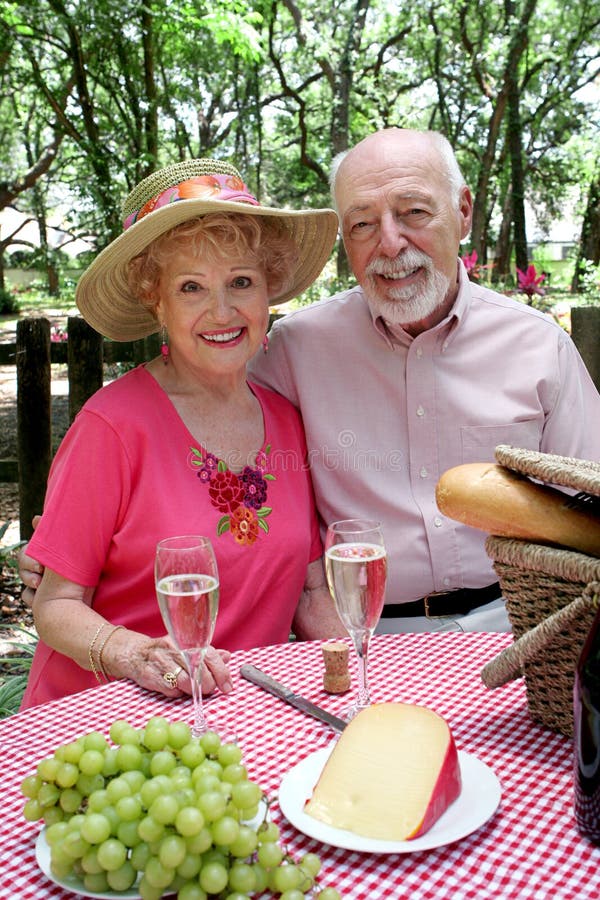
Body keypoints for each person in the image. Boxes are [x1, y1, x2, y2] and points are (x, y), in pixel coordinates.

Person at [19, 157, 344, 709]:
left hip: (235, 725)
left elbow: (312, 596)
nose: (222, 311)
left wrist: (369, 666)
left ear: (268, 294)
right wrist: (135, 654)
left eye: (241, 281)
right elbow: (54, 606)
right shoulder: (112, 426)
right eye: (192, 287)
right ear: (158, 302)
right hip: (103, 724)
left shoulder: (286, 421)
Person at [246, 127, 600, 633]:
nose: (390, 244)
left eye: (413, 212)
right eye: (363, 224)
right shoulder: (294, 351)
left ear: (463, 211)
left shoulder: (538, 344)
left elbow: (590, 503)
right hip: (361, 632)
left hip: (520, 622)